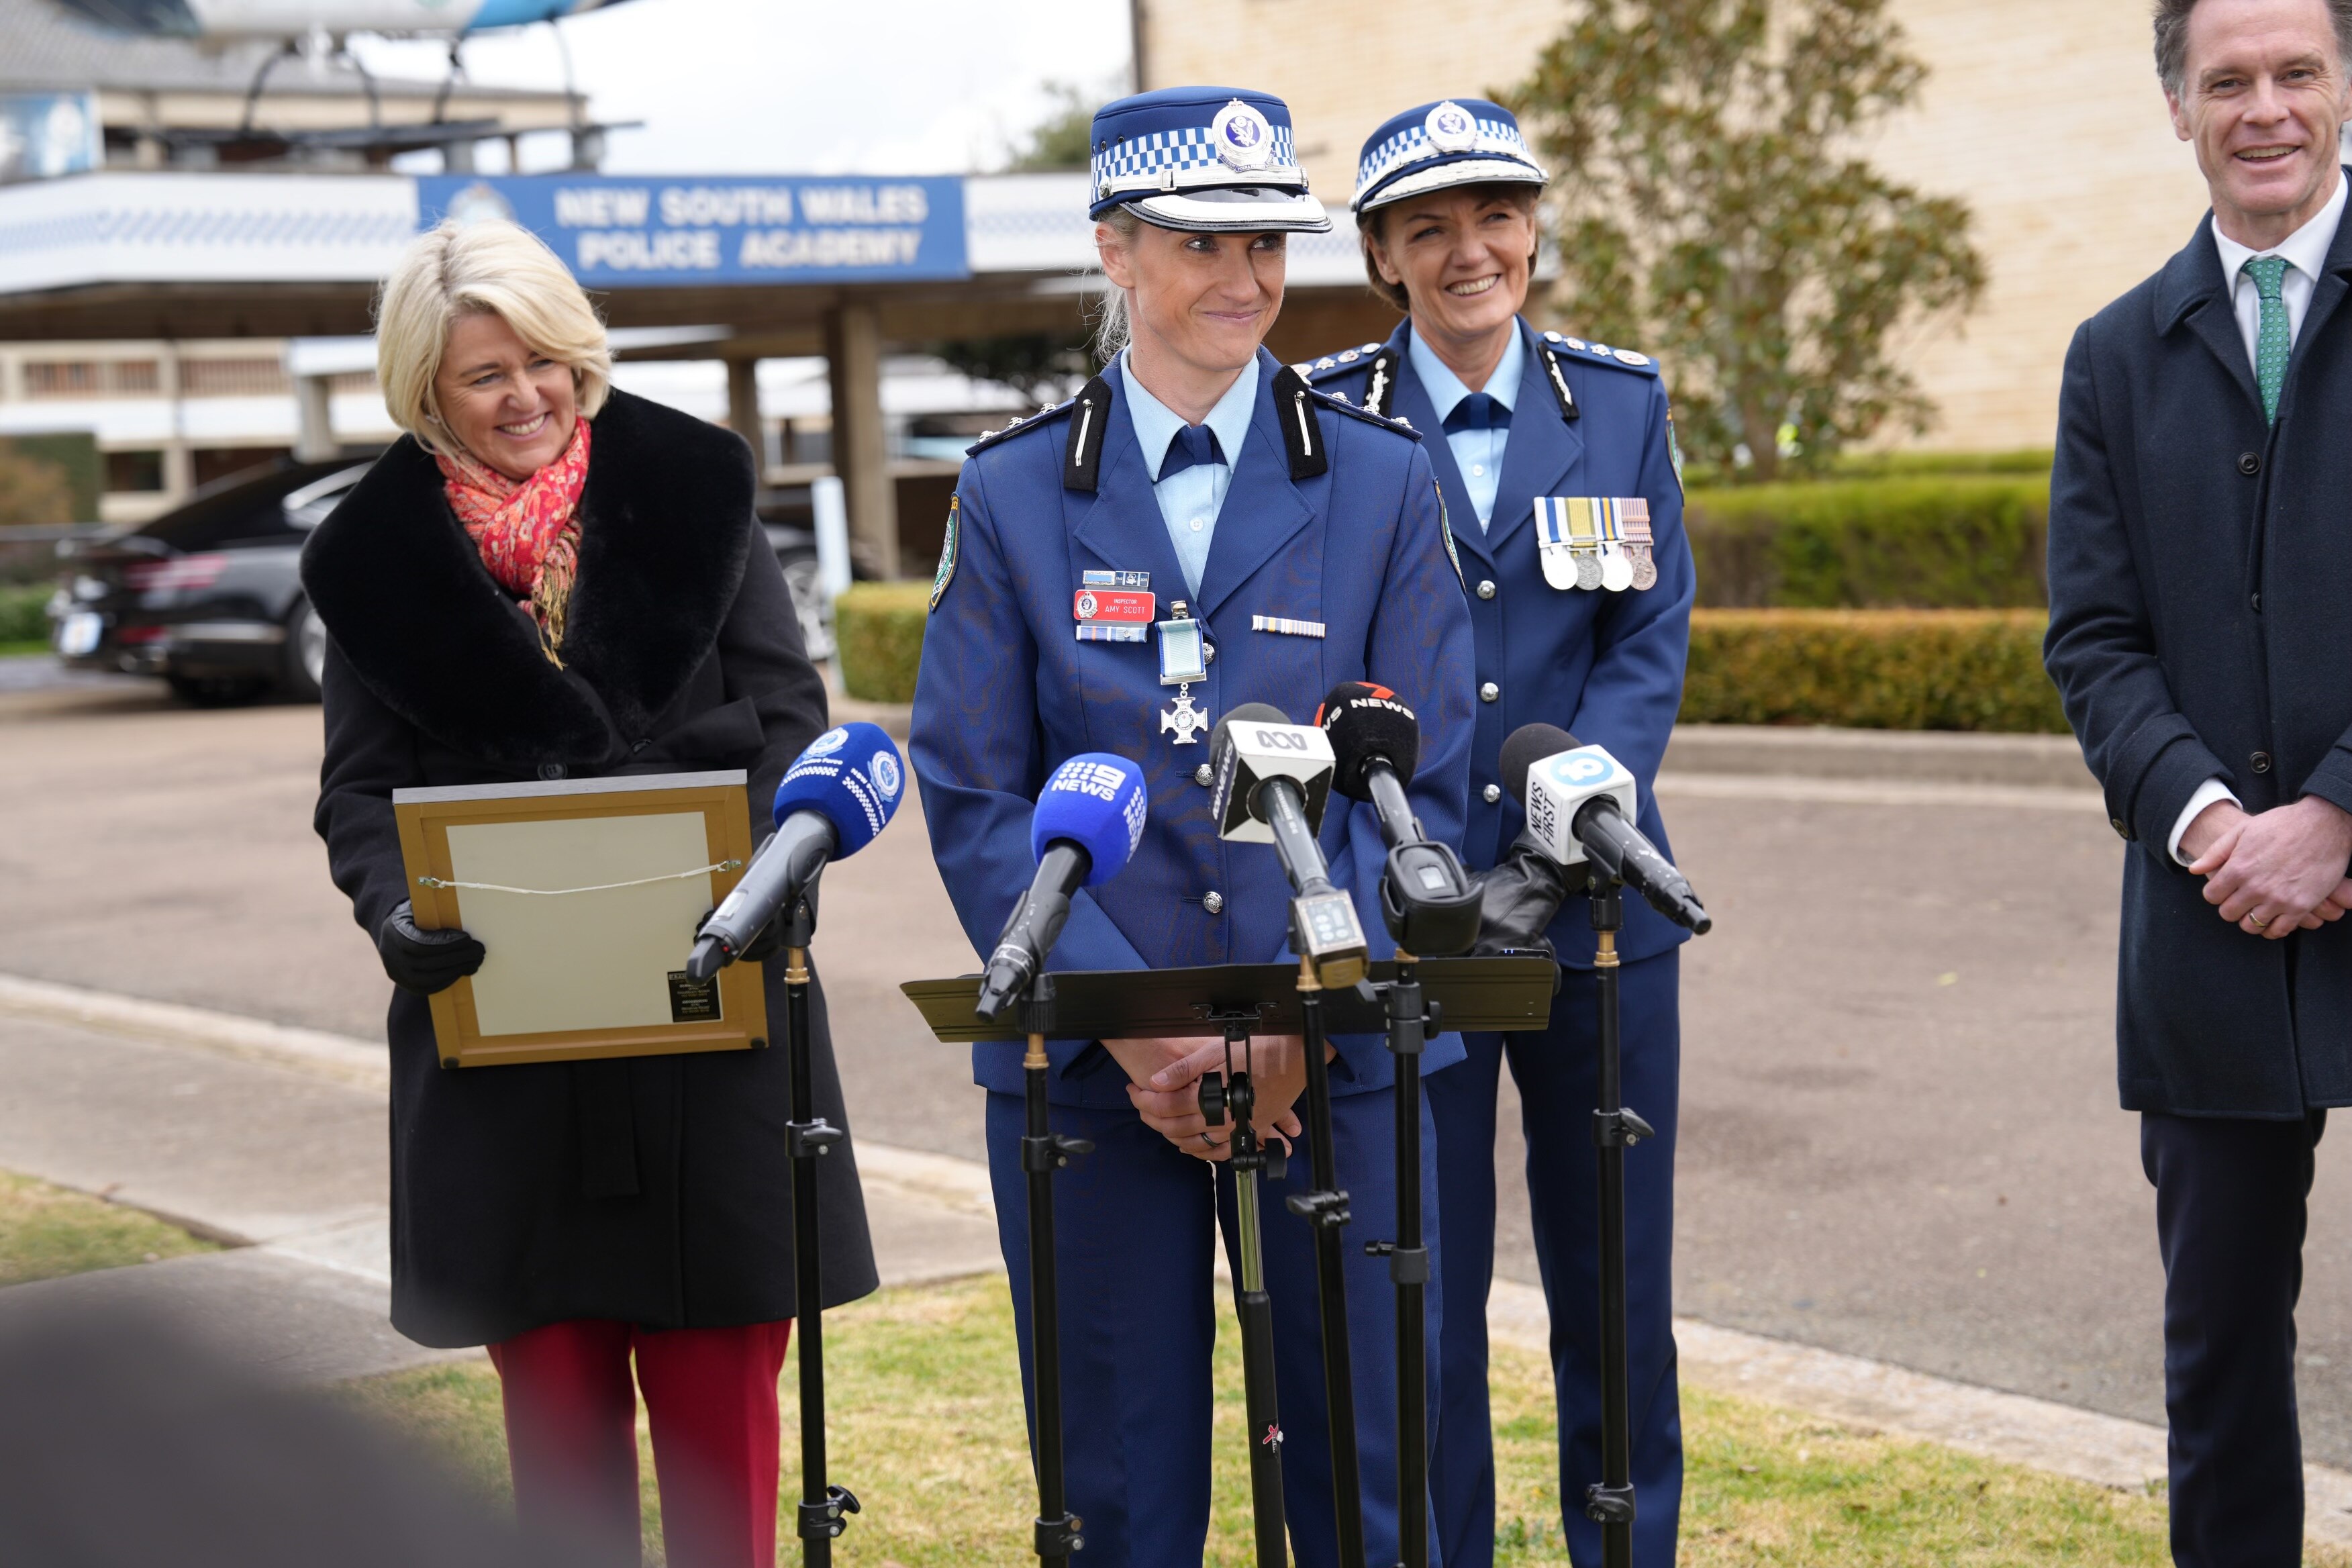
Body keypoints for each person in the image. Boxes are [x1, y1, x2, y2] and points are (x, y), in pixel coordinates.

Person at [910, 85, 1477, 1568]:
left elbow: (1421, 772)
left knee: (1370, 1490)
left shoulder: (1381, 477)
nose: (1246, 280)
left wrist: (1302, 1015)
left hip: (1335, 1066)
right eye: (1203, 243)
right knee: (1117, 1497)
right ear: (1114, 246)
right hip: (1099, 1074)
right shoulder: (1014, 490)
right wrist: (1144, 1029)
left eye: (1269, 244)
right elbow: (974, 789)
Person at [303, 217, 877, 1568]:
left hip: (713, 1017)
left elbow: (794, 725)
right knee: (558, 1442)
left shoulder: (694, 485)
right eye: (484, 375)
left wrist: (765, 873)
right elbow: (357, 795)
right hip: (506, 1045)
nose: (528, 396)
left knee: (724, 1420)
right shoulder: (371, 557)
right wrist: (399, 914)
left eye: (545, 359)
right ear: (424, 392)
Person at [1303, 98, 1696, 1567]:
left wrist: (1552, 842)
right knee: (1422, 1288)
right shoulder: (1328, 422)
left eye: (1496, 216)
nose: (1471, 251)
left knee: (1616, 1284)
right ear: (1381, 258)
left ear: (1533, 227)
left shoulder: (1620, 403)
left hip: (1595, 913)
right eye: (1428, 229)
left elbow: (1645, 640)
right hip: (1413, 920)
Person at [2046, 1, 2352, 1563]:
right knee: (2222, 1359)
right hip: (2206, 913)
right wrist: (2217, 823)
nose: (2266, 109)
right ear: (2177, 106)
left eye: (2297, 72)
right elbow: (2093, 640)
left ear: (2344, 86)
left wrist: (2341, 809)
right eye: (2227, 80)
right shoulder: (2113, 353)